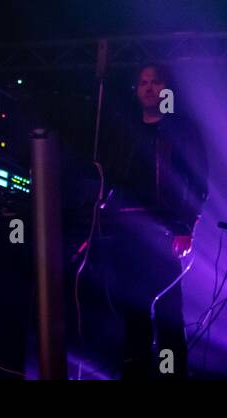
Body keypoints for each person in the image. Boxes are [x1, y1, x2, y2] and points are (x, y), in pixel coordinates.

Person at [85, 63, 208, 378]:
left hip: (166, 232)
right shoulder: (125, 131)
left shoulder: (180, 130)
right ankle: (136, 373)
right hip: (128, 233)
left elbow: (196, 181)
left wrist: (185, 228)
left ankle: (171, 373)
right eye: (142, 82)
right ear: (135, 89)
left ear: (166, 88)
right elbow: (108, 176)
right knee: (134, 312)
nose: (148, 87)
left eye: (155, 82)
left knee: (168, 312)